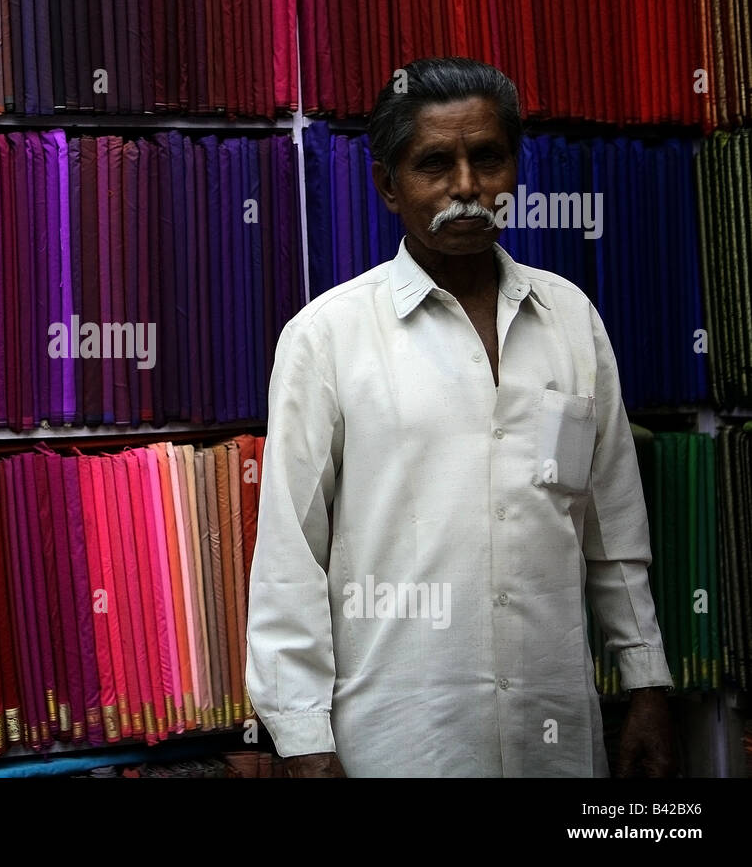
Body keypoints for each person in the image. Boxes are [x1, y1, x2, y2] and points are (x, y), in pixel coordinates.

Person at [245, 57, 675, 777]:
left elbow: (613, 527)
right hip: (402, 740)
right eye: (435, 164)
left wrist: (648, 685)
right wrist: (301, 737)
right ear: (388, 185)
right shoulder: (329, 337)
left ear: (516, 169)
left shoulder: (570, 318)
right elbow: (290, 558)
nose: (468, 187)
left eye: (489, 158)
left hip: (556, 735)